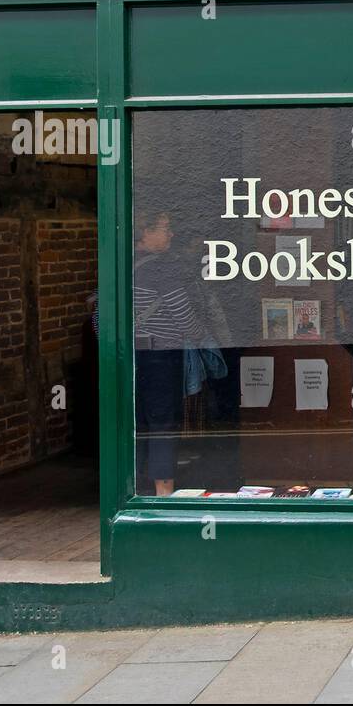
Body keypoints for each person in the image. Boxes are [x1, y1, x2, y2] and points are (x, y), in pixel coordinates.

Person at [132, 211, 203, 495]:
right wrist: (201, 334)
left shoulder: (122, 264)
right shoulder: (162, 269)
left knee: (137, 422)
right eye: (166, 228)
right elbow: (183, 315)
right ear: (146, 232)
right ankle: (164, 493)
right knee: (163, 424)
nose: (171, 234)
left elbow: (100, 318)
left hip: (131, 357)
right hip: (161, 356)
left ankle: (135, 488)